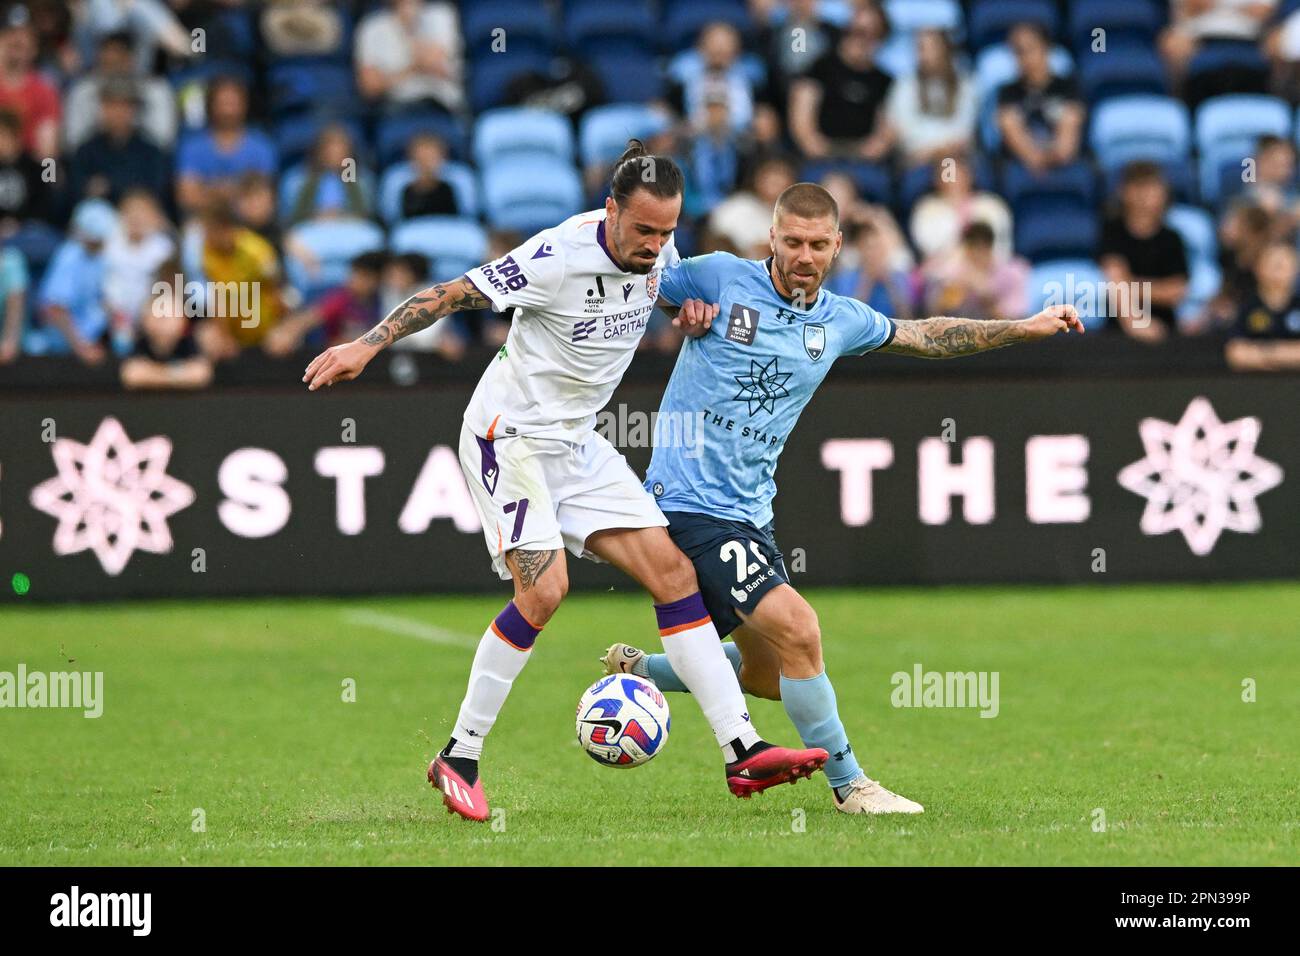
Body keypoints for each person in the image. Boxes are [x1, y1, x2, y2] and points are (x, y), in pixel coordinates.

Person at [301, 142, 828, 823]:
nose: (656, 246)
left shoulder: (657, 253)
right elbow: (452, 293)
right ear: (611, 211)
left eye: (667, 233)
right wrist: (367, 345)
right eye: (643, 231)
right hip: (507, 436)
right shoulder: (556, 256)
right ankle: (459, 754)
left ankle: (742, 750)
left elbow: (659, 296)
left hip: (576, 444)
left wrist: (685, 313)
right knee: (545, 589)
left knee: (675, 576)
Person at [601, 181, 1084, 815]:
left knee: (768, 675)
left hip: (750, 513)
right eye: (792, 241)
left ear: (836, 249)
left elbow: (928, 334)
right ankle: (851, 785)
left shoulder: (841, 319)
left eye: (818, 245)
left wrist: (1021, 328)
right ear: (771, 238)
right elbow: (630, 280)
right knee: (800, 628)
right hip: (688, 504)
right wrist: (675, 310)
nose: (803, 255)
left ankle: (639, 672)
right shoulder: (718, 278)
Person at [788, 0, 893, 160]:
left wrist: (863, 154)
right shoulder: (818, 69)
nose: (862, 40)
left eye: (873, 34)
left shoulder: (885, 80)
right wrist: (822, 153)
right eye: (857, 32)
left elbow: (885, 134)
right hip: (820, 156)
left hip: (864, 160)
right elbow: (802, 125)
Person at [1098, 161, 1189, 340]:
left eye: (1155, 187)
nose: (1149, 195)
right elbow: (1115, 278)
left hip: (1166, 331)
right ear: (1126, 192)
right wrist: (1135, 322)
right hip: (1117, 334)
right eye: (1143, 187)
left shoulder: (1172, 238)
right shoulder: (1112, 232)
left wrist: (1130, 285)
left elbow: (1176, 291)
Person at [996, 22, 1085, 174]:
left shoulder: (1068, 87)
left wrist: (1054, 155)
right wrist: (1034, 157)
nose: (1023, 57)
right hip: (1024, 166)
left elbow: (1069, 136)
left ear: (1046, 48)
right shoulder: (1007, 92)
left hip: (1062, 163)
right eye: (1018, 51)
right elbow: (1010, 128)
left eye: (1029, 49)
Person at [35, 198, 115, 363]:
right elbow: (55, 309)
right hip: (62, 348)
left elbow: (102, 300)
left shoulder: (100, 258)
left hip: (93, 340)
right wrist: (81, 348)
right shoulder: (69, 256)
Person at [120, 263, 212, 389]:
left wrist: (157, 374)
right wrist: (177, 375)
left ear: (183, 319)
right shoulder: (142, 342)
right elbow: (131, 374)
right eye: (158, 315)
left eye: (170, 315)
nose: (162, 323)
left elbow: (201, 373)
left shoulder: (187, 342)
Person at [922, 220, 1029, 321]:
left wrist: (986, 298)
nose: (978, 252)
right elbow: (934, 318)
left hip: (1000, 336)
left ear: (990, 246)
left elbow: (1015, 325)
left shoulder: (1012, 273)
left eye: (984, 245)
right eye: (973, 245)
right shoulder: (952, 271)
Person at [1225, 240, 1300, 371]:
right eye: (1274, 265)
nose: (1278, 271)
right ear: (1259, 268)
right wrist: (1280, 355)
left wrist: (1263, 352)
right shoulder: (1247, 307)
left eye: (1283, 265)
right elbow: (1236, 353)